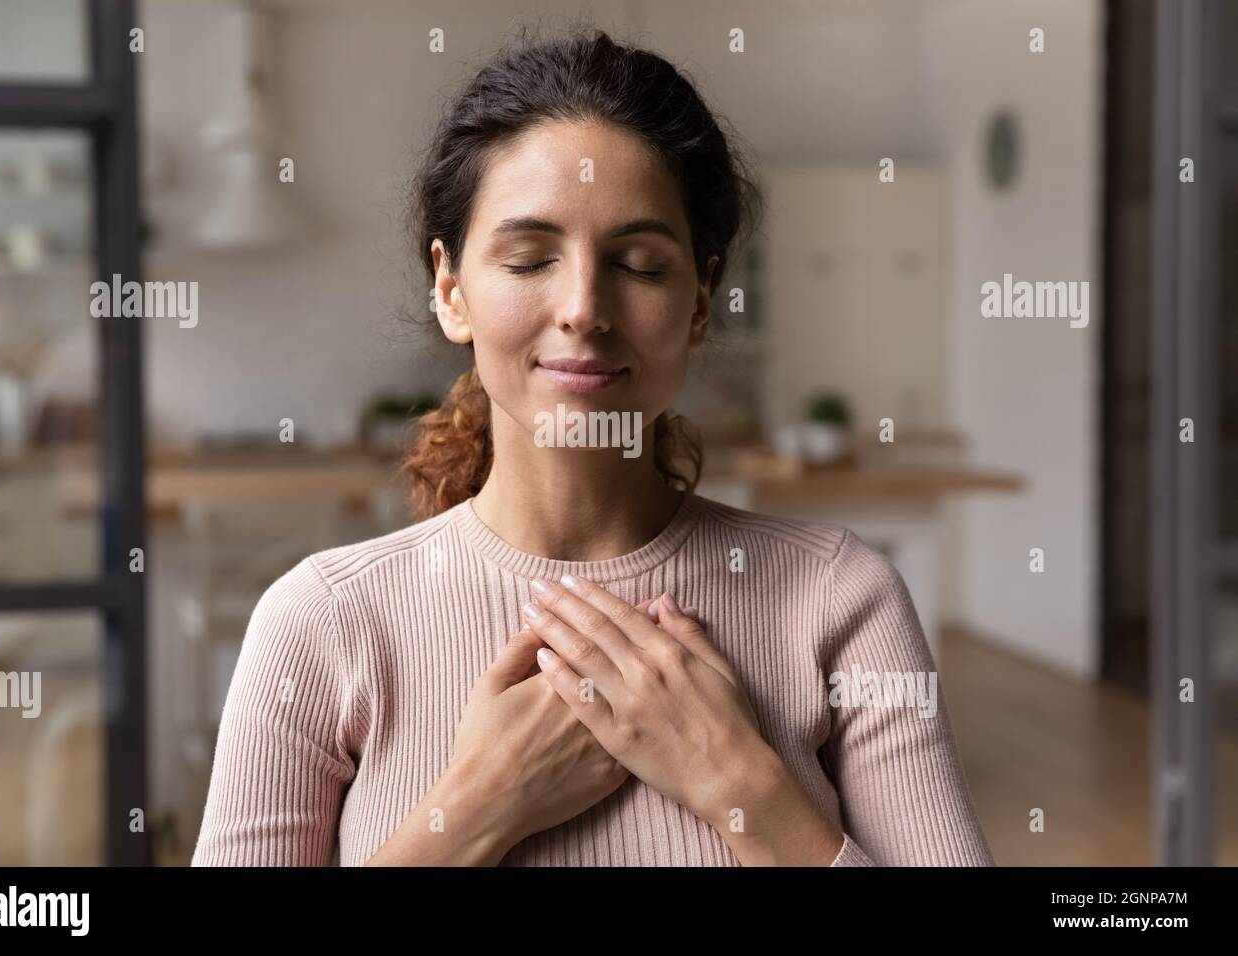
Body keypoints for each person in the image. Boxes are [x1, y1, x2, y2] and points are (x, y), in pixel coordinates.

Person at [191, 26, 994, 867]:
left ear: (699, 300)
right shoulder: (320, 624)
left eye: (641, 265)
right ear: (450, 289)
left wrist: (739, 785)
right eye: (531, 258)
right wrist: (476, 810)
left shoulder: (840, 601)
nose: (583, 307)